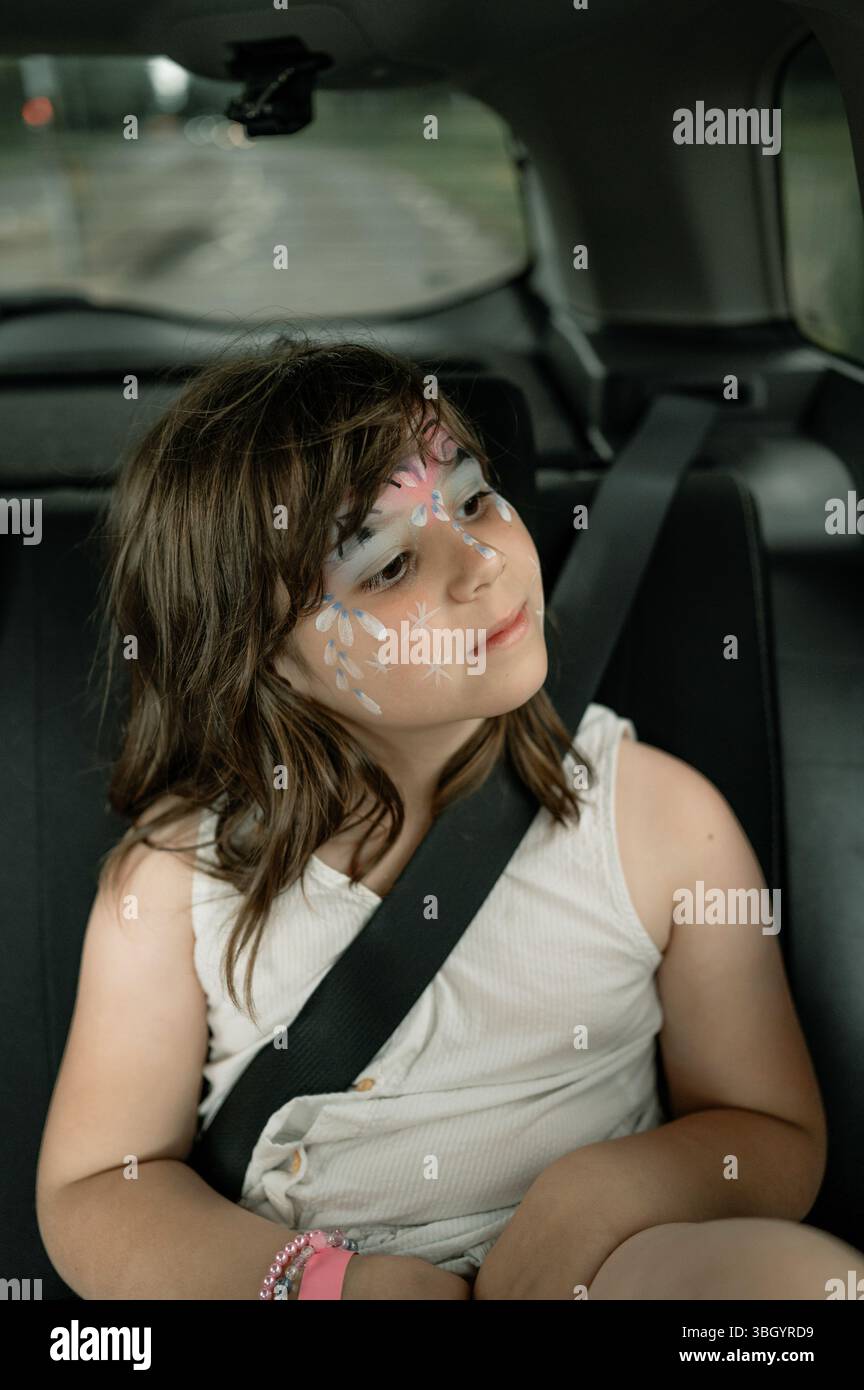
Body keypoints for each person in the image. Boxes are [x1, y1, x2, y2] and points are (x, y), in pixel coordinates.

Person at [35, 337, 863, 1300]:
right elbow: (100, 1189)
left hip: (614, 1263)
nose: (477, 564)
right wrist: (330, 1287)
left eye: (472, 500)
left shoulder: (664, 821)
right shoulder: (179, 881)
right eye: (387, 567)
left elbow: (770, 1133)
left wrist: (596, 1196)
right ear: (261, 656)